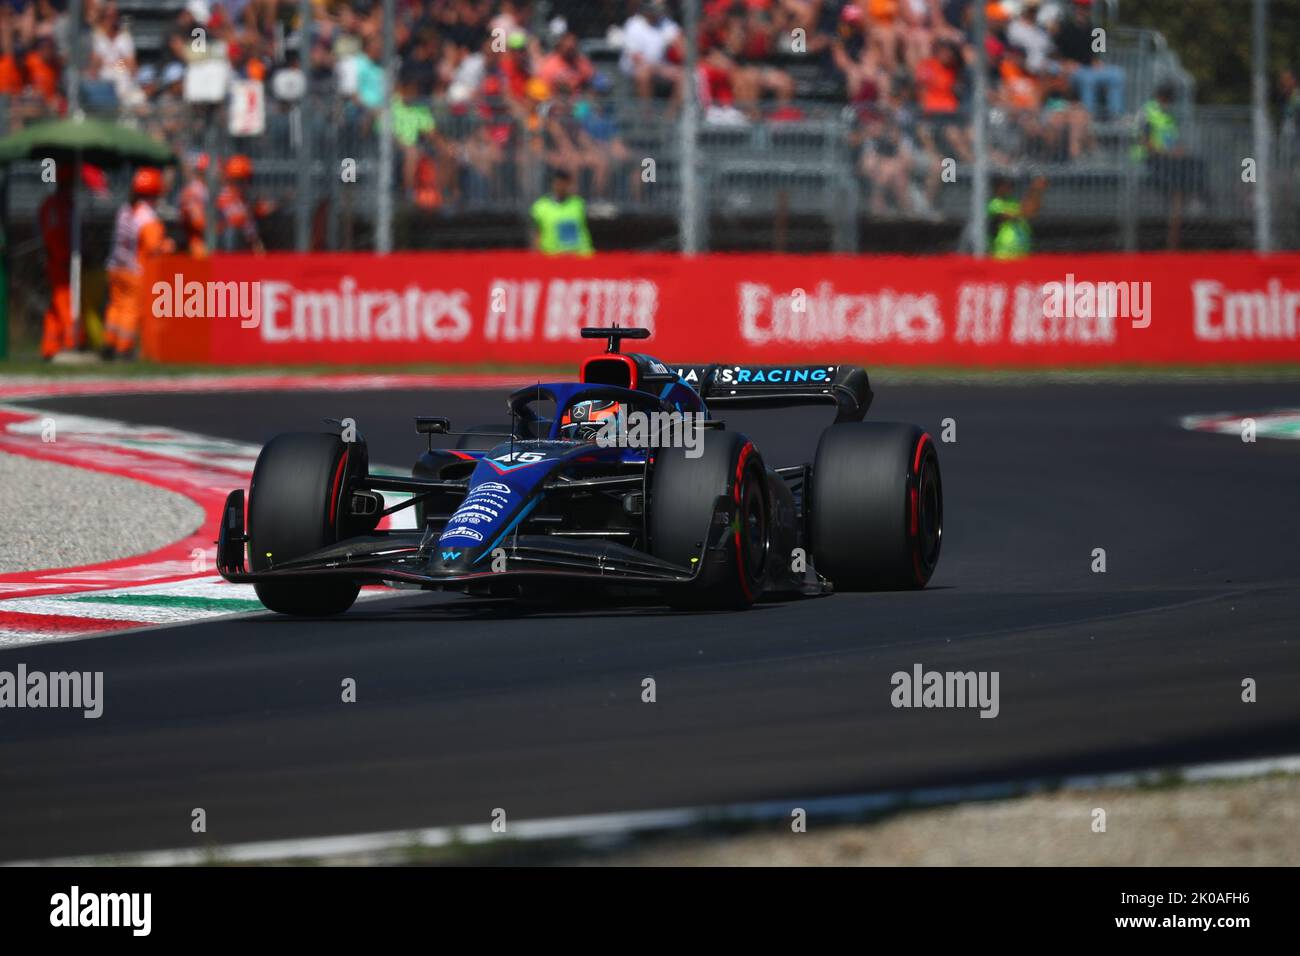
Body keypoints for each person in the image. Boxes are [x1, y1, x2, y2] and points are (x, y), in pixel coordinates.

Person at [103, 167, 173, 359]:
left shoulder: (125, 210)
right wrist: (168, 245)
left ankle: (109, 343)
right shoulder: (147, 216)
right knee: (130, 309)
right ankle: (124, 348)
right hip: (134, 269)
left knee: (115, 306)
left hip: (115, 265)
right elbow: (154, 246)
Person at [38, 174, 73, 360]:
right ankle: (70, 343)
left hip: (55, 258)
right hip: (60, 260)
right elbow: (56, 234)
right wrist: (65, 256)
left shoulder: (51, 205)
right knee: (65, 303)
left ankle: (49, 346)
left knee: (55, 307)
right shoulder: (58, 206)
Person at [530, 168, 593, 256]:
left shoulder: (578, 204)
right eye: (558, 183)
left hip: (578, 257)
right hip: (552, 258)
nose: (561, 186)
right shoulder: (541, 207)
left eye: (564, 183)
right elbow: (536, 234)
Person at [987, 174, 1046, 260]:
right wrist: (1034, 190)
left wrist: (1038, 192)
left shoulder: (1013, 201)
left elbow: (1031, 212)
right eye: (1005, 185)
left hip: (1022, 250)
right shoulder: (994, 203)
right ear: (998, 187)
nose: (1009, 187)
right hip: (1003, 252)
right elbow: (1019, 214)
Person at [217, 154, 267, 253]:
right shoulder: (224, 197)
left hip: (248, 244)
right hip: (229, 247)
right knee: (232, 233)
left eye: (244, 179)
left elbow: (262, 210)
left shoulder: (244, 198)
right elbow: (234, 221)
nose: (242, 183)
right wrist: (250, 211)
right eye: (237, 180)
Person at [179, 152, 210, 258]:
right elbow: (197, 222)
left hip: (203, 240)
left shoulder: (205, 188)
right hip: (195, 242)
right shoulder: (195, 190)